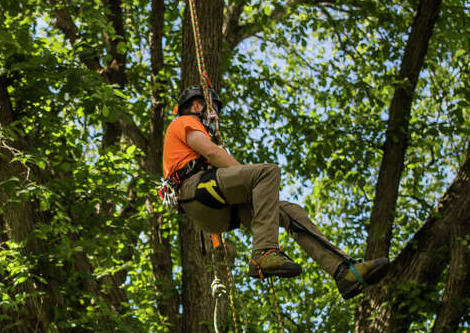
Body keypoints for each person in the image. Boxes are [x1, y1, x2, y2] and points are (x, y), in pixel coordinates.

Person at [161, 85, 390, 297]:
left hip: (216, 208)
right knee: (267, 172)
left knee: (292, 212)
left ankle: (343, 271)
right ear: (198, 106)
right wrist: (250, 182)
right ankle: (264, 253)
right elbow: (212, 153)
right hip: (196, 190)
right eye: (212, 110)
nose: (216, 117)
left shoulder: (197, 130)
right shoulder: (183, 122)